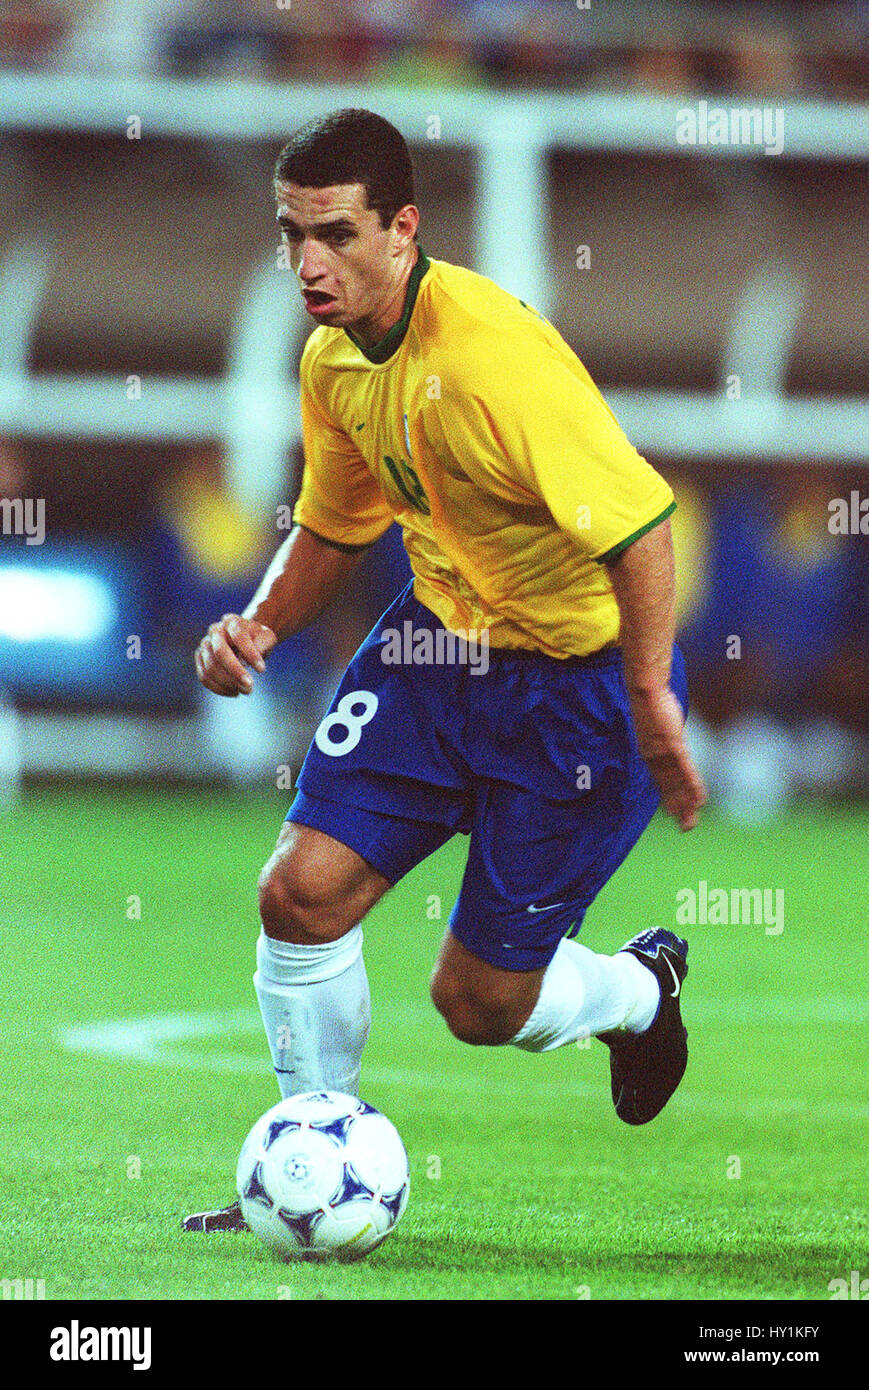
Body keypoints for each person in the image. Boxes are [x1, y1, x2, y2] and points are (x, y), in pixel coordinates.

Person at [183, 108, 706, 1233]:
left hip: (577, 690)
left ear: (402, 230)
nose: (307, 264)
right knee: (298, 892)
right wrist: (262, 624)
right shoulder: (334, 359)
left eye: (333, 234)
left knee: (476, 1002)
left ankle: (635, 990)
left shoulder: (489, 359)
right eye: (291, 235)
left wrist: (654, 695)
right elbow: (334, 519)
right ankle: (304, 1159)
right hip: (435, 654)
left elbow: (639, 526)